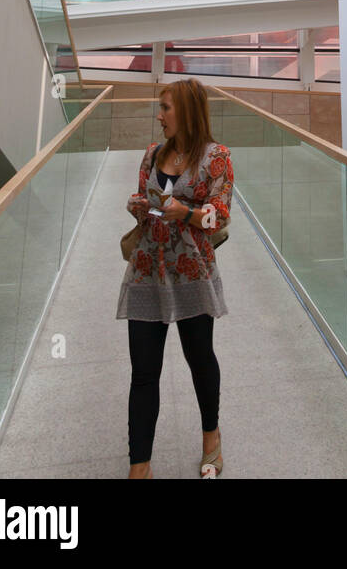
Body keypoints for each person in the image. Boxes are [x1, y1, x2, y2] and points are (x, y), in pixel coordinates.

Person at [116, 78, 233, 479]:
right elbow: (145, 200)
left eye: (166, 107)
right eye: (160, 107)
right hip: (147, 272)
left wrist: (185, 212)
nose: (159, 115)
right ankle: (140, 467)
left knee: (199, 359)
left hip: (190, 272)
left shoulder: (216, 157)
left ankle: (211, 439)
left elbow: (220, 215)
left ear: (186, 111)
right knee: (143, 372)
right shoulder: (152, 154)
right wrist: (139, 207)